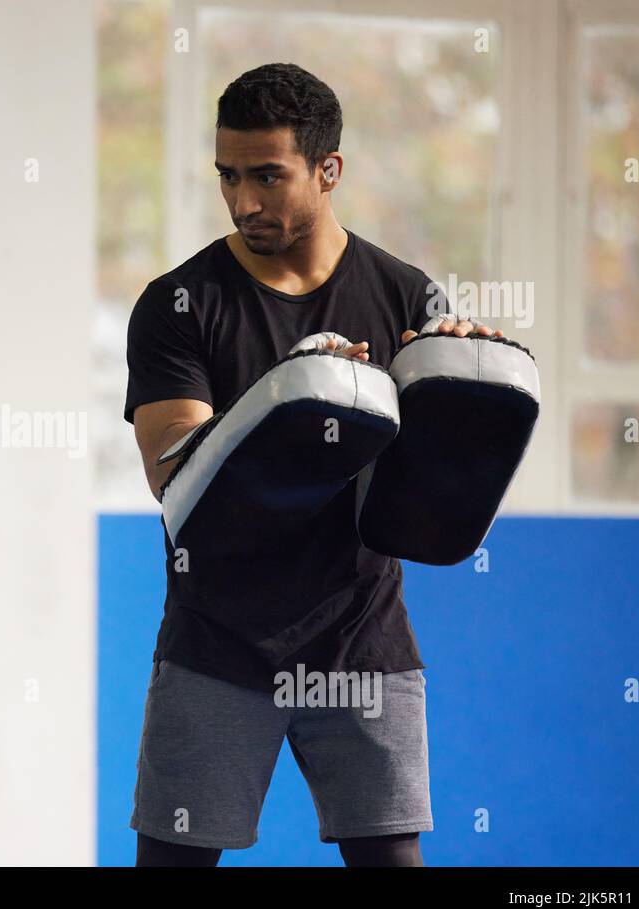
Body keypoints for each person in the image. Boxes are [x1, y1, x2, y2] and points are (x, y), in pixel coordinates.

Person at [124, 63, 508, 867]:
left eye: (268, 175)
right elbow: (174, 477)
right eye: (228, 175)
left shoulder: (407, 297)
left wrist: (459, 398)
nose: (242, 201)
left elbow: (427, 493)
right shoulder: (180, 303)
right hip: (217, 647)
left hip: (360, 640)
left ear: (328, 170)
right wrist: (291, 398)